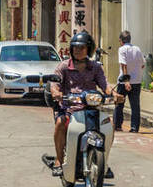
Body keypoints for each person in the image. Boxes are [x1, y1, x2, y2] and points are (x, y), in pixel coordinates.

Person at [45, 31, 119, 177]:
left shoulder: (96, 67)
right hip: (70, 109)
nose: (77, 50)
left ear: (89, 49)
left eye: (82, 47)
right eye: (75, 47)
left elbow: (104, 85)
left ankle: (104, 162)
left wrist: (114, 94)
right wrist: (56, 93)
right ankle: (59, 161)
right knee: (60, 123)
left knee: (109, 124)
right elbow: (54, 83)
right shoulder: (64, 66)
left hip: (92, 109)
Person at [115, 30, 145, 132]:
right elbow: (143, 64)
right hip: (136, 81)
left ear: (121, 40)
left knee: (119, 104)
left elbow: (123, 65)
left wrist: (127, 81)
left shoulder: (122, 49)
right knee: (135, 106)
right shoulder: (137, 49)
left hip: (124, 82)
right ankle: (134, 127)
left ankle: (118, 125)